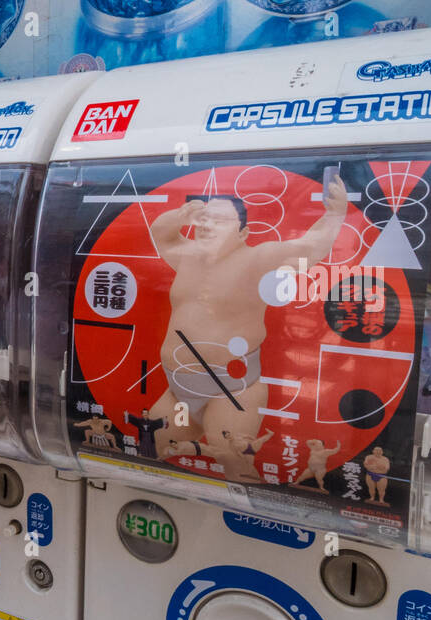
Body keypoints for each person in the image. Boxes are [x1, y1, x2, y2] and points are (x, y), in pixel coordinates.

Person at [145, 177, 349, 457]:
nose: (207, 225)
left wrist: (335, 214)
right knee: (153, 444)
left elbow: (309, 248)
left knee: (233, 461)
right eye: (203, 218)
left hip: (232, 391)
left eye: (219, 220)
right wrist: (181, 215)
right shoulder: (188, 256)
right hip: (179, 389)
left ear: (243, 233)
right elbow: (161, 234)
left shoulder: (257, 259)